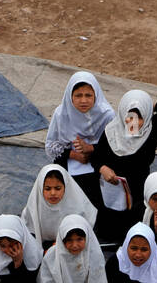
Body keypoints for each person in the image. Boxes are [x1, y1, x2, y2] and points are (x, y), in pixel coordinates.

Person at [88, 90, 157, 223]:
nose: (132, 123)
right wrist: (103, 169)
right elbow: (96, 157)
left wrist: (145, 104)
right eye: (130, 116)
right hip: (111, 190)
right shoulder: (112, 132)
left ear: (147, 117)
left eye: (139, 118)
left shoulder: (151, 132)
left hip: (137, 192)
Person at [43, 71, 116, 207]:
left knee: (98, 200)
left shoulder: (106, 115)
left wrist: (90, 149)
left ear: (96, 95)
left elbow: (114, 145)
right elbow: (51, 145)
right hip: (70, 159)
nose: (83, 100)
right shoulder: (61, 114)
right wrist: (75, 155)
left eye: (88, 95)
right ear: (70, 96)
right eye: (78, 95)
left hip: (100, 160)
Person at [37, 214, 111, 283]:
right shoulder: (52, 255)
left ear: (87, 237)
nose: (74, 245)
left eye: (79, 239)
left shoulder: (93, 254)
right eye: (69, 240)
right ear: (62, 239)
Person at [20, 163, 98, 249]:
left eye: (58, 188)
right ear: (40, 189)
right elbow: (29, 235)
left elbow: (82, 237)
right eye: (47, 189)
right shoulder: (33, 209)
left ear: (66, 187)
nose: (53, 193)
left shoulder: (79, 208)